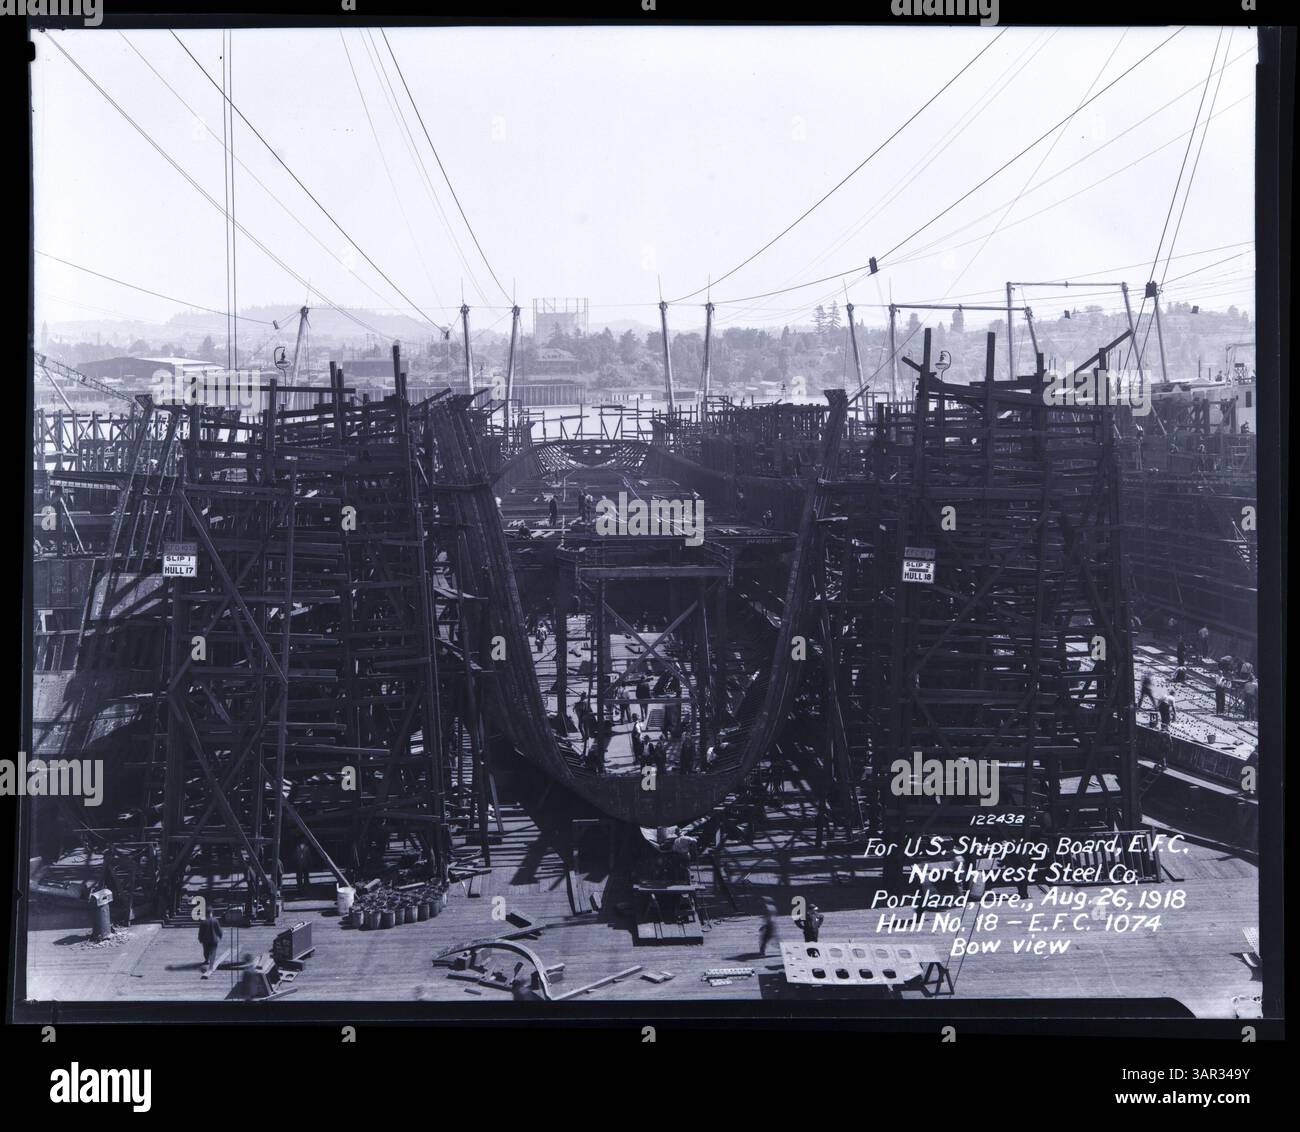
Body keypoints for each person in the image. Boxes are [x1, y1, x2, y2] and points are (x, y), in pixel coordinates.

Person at [198, 910, 223, 975]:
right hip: (214, 939)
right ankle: (211, 962)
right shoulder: (215, 921)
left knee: (206, 950)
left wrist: (200, 938)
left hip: (205, 939)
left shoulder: (203, 922)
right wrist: (220, 935)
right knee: (213, 951)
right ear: (211, 913)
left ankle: (207, 960)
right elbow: (218, 929)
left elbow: (201, 932)